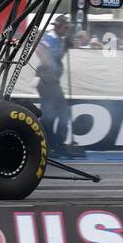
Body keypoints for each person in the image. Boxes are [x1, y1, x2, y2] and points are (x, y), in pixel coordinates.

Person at [35, 14, 82, 158]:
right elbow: (39, 49)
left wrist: (66, 47)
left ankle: (56, 145)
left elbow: (59, 55)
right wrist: (49, 64)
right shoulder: (50, 37)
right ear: (59, 26)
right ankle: (48, 146)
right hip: (46, 81)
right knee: (49, 116)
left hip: (53, 82)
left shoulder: (61, 40)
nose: (67, 30)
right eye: (66, 27)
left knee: (61, 113)